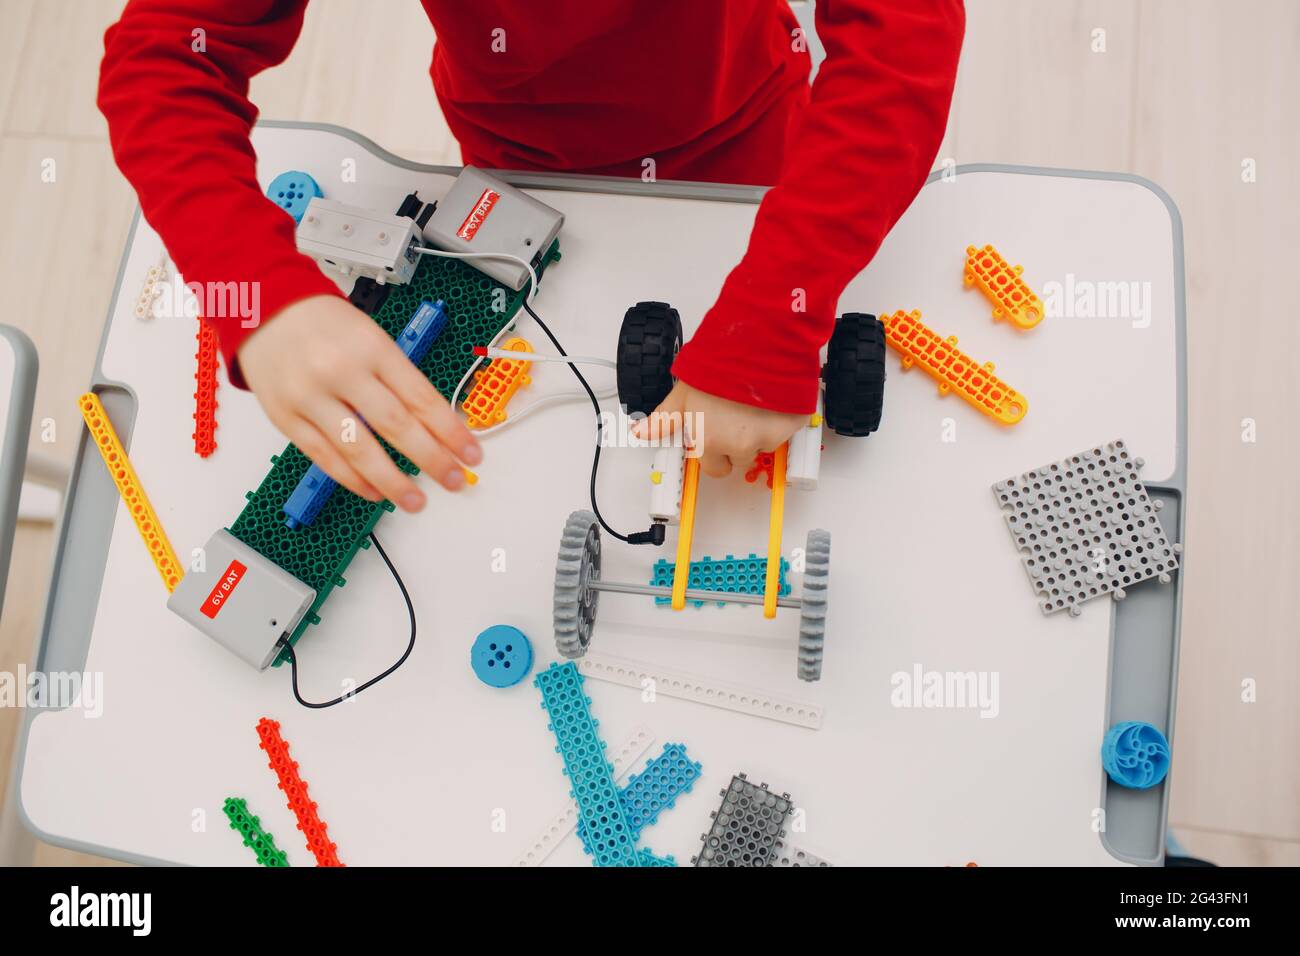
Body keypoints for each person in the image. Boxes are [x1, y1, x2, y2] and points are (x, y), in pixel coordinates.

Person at [98, 0, 964, 512]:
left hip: (744, 127)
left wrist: (777, 315)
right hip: (515, 152)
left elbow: (902, 39)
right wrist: (261, 298)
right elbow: (164, 54)